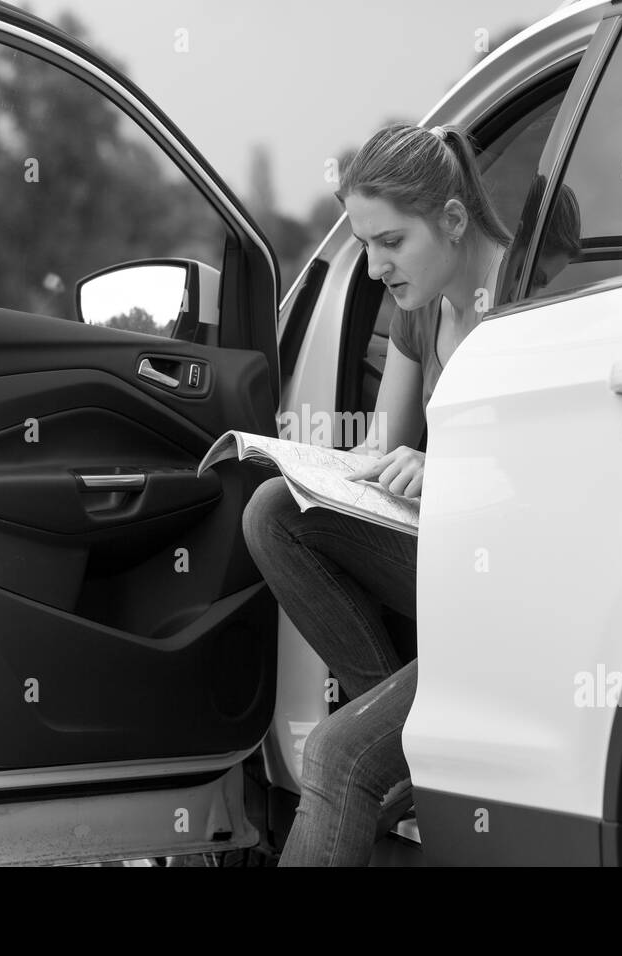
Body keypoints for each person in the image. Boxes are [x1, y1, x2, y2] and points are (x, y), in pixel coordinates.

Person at [241, 123, 576, 865]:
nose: (373, 267)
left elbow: (557, 488)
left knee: (334, 752)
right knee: (274, 512)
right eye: (364, 244)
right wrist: (307, 466)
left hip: (519, 596)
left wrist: (448, 471)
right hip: (448, 569)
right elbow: (380, 448)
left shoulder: (526, 304)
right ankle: (409, 739)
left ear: (452, 220)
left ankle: (394, 748)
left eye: (390, 241)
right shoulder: (420, 307)